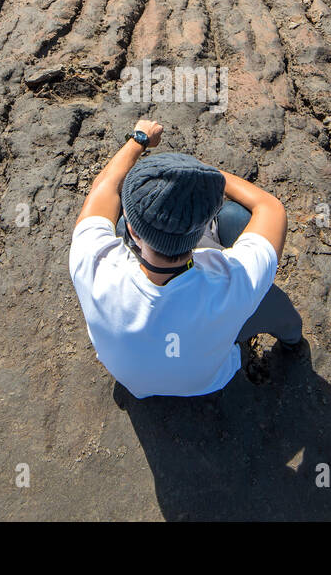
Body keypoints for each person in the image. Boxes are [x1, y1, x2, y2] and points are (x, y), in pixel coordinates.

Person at [68, 118, 304, 398]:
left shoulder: (93, 260)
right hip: (210, 380)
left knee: (114, 223)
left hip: (136, 385)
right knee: (237, 219)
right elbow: (269, 206)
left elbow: (105, 186)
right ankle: (292, 339)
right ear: (199, 231)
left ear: (134, 230)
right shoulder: (233, 283)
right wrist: (201, 176)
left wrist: (139, 139)